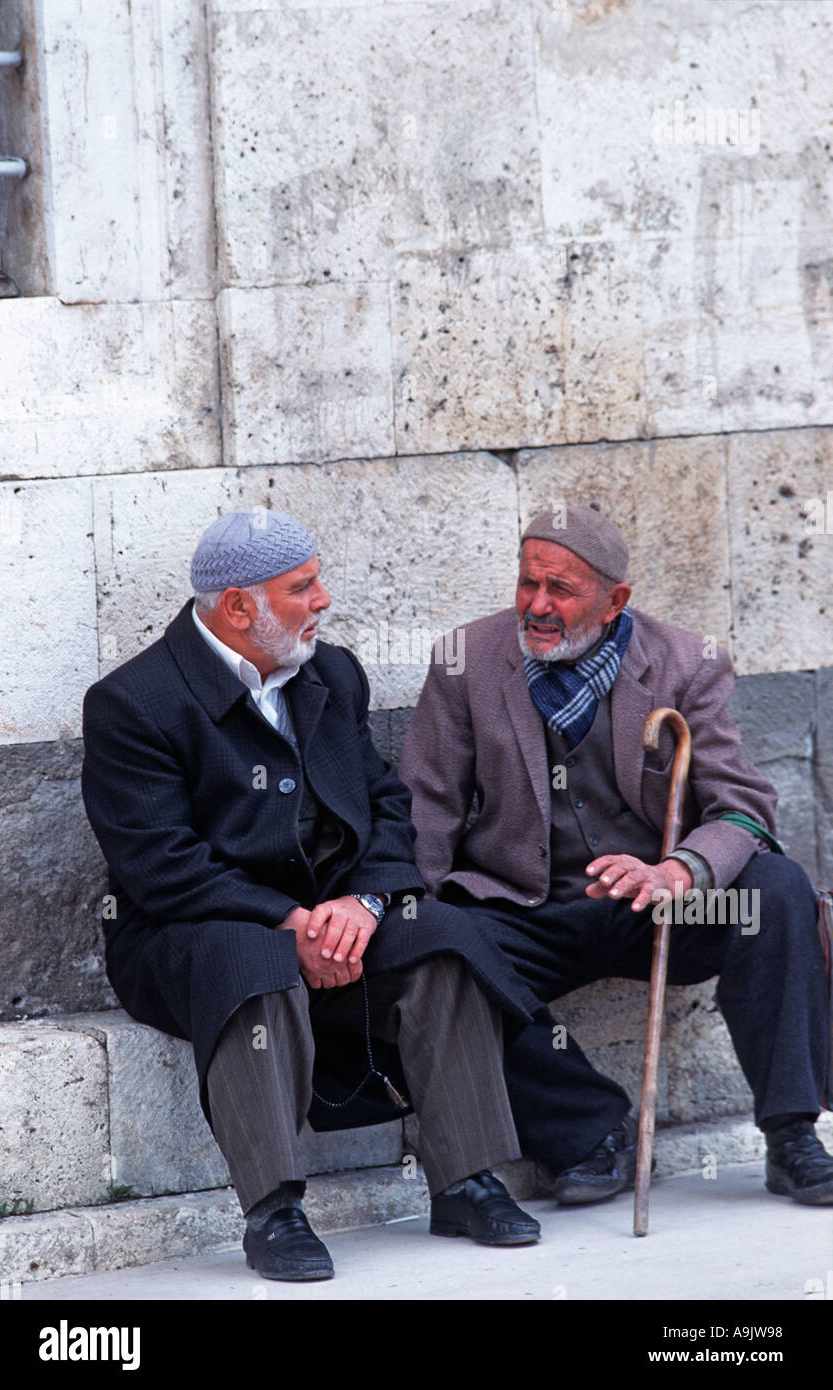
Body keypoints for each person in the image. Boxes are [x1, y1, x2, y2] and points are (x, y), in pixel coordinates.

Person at [81, 508, 545, 1283]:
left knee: (442, 938)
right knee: (252, 960)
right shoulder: (135, 703)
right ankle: (275, 1210)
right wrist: (288, 922)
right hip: (192, 930)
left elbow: (388, 807)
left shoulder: (330, 674)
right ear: (238, 607)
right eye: (303, 587)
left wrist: (361, 907)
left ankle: (466, 1180)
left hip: (333, 913)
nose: (323, 599)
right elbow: (160, 864)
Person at [400, 503, 833, 1208]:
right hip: (526, 910)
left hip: (657, 907)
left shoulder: (685, 664)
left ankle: (791, 1135)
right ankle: (590, 1132)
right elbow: (427, 808)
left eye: (560, 590)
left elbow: (743, 806)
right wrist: (409, 917)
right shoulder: (466, 660)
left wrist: (677, 871)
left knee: (776, 890)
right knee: (435, 948)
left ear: (615, 601)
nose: (538, 605)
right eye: (527, 583)